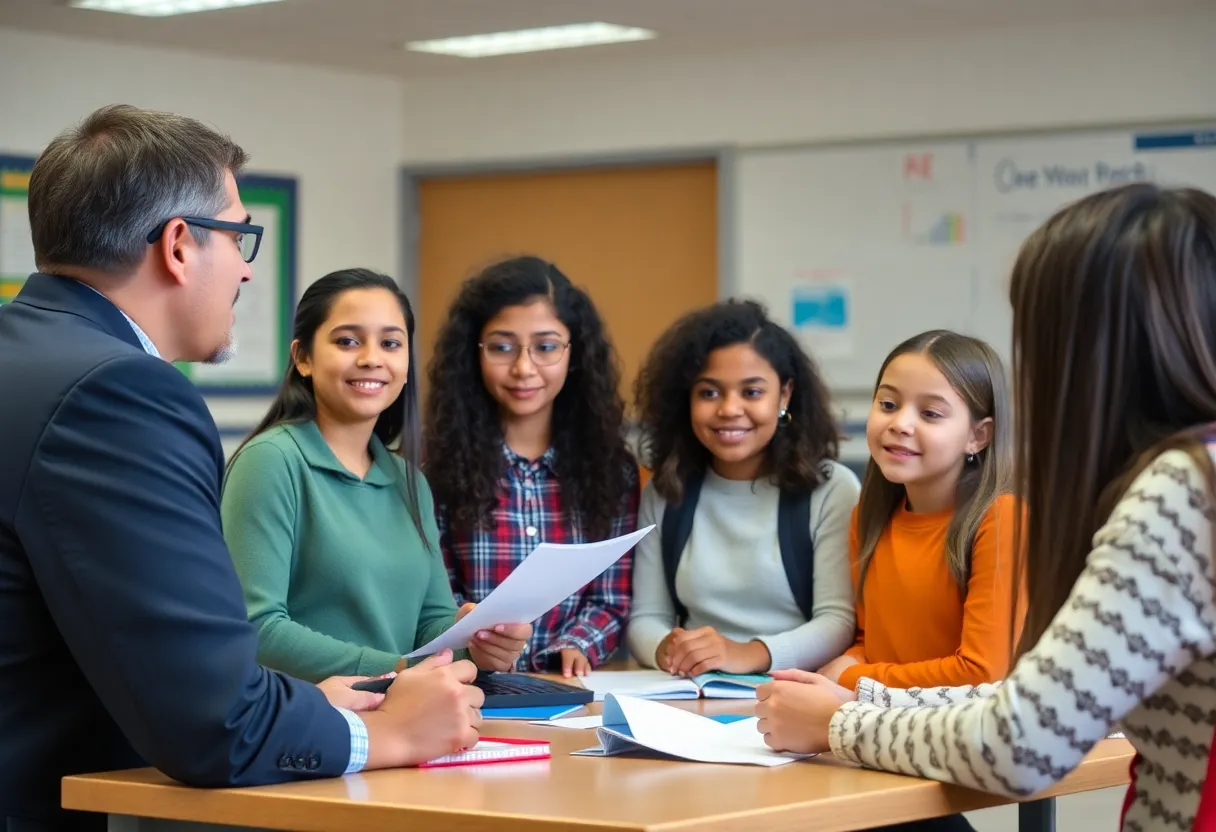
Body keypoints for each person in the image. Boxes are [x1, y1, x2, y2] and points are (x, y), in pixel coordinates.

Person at [0, 105, 482, 832]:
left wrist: (305, 702)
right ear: (179, 247)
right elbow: (212, 718)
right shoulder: (120, 394)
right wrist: (389, 733)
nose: (248, 267)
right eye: (240, 236)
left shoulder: (27, 356)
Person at [754, 183, 1216, 832]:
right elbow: (1043, 698)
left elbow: (1023, 741)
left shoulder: (1183, 492)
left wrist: (842, 721)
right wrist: (859, 703)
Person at [222, 268, 531, 680]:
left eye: (390, 343)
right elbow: (258, 628)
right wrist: (397, 671)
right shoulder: (271, 462)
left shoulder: (408, 480)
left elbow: (431, 621)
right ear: (303, 358)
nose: (372, 358)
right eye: (347, 341)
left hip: (405, 713)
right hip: (311, 722)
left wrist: (477, 643)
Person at [425, 256, 639, 678]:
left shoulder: (613, 472)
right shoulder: (435, 471)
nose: (524, 368)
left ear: (574, 354)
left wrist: (577, 643)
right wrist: (479, 645)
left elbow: (612, 598)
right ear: (474, 353)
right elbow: (438, 599)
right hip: (471, 687)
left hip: (573, 691)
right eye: (502, 347)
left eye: (545, 347)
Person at [626, 299, 859, 676]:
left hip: (792, 691)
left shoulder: (832, 490)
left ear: (784, 395)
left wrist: (747, 653)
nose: (729, 409)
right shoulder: (667, 491)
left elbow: (838, 621)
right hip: (689, 692)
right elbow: (646, 618)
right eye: (709, 393)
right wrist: (668, 647)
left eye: (751, 392)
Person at [815, 330, 1021, 693]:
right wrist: (851, 659)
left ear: (978, 436)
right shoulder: (868, 517)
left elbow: (982, 672)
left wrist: (849, 678)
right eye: (888, 405)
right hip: (883, 726)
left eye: (930, 413)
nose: (900, 424)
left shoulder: (1001, 518)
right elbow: (872, 642)